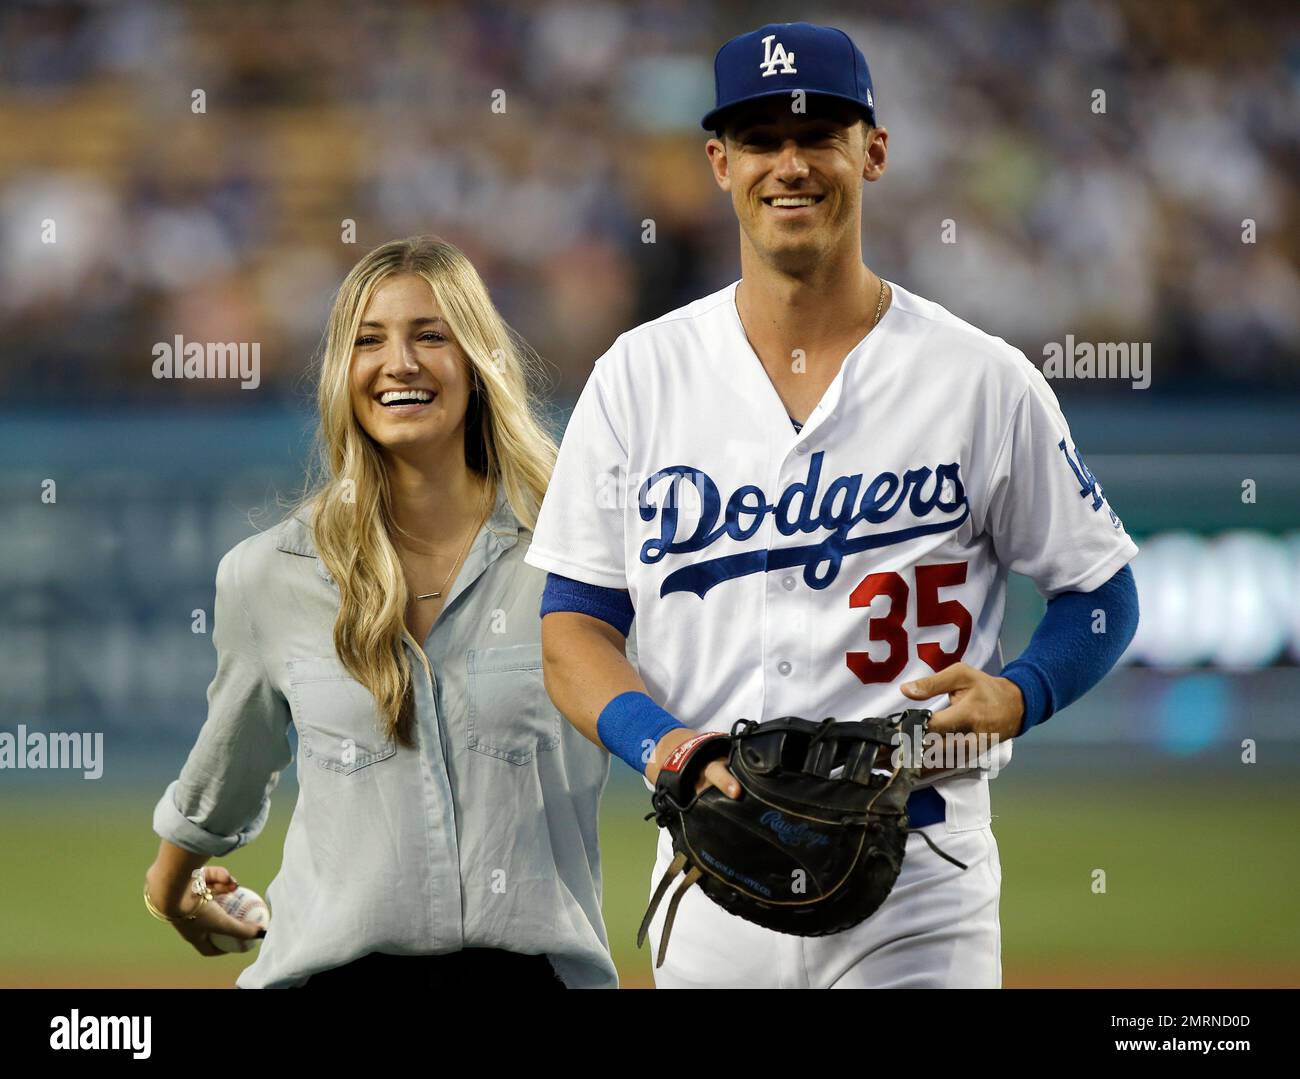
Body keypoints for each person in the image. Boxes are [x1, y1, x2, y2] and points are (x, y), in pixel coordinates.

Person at [525, 22, 1139, 988]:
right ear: (721, 164)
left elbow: (1103, 595)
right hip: (710, 863)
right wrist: (667, 748)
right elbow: (573, 629)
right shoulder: (639, 378)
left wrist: (1022, 693)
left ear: (874, 151)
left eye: (820, 135)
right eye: (763, 140)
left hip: (923, 865)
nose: (792, 164)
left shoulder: (981, 380)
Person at [144, 236, 616, 988]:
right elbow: (228, 768)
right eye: (369, 340)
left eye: (431, 335)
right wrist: (173, 891)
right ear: (342, 372)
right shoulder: (270, 574)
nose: (400, 362)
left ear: (478, 360)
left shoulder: (578, 556)